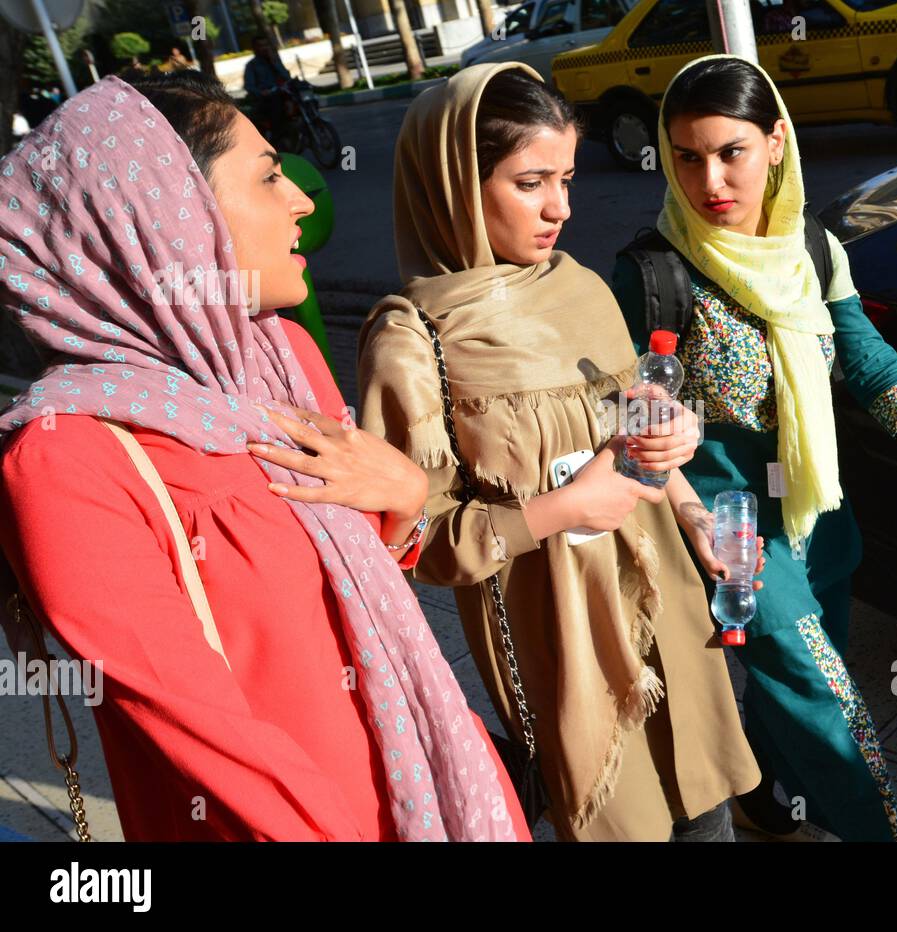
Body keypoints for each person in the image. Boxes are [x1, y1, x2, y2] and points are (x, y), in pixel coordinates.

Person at [0, 71, 527, 842]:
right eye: (269, 175)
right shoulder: (64, 458)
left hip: (426, 787)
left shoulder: (282, 358)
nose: (303, 202)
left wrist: (407, 500)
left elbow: (350, 580)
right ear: (167, 217)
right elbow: (203, 735)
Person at [612, 55, 897, 841]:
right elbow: (623, 415)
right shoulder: (653, 272)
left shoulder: (812, 247)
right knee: (825, 695)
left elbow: (866, 361)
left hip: (819, 520)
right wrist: (690, 511)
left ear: (775, 142)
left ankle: (765, 803)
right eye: (687, 157)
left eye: (731, 151)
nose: (710, 181)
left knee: (795, 681)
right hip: (731, 536)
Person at [357, 62, 765, 842]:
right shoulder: (412, 342)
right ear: (452, 183)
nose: (560, 209)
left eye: (568, 179)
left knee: (710, 818)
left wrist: (682, 488)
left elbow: (631, 433)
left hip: (669, 615)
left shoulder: (578, 287)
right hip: (565, 650)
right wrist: (558, 511)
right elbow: (407, 543)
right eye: (530, 182)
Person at [243, 35, 291, 143]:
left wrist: (274, 62)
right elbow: (248, 86)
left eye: (266, 45)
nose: (264, 48)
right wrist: (261, 92)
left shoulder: (275, 60)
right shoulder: (252, 65)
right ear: (255, 48)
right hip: (265, 99)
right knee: (275, 103)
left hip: (282, 94)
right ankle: (277, 137)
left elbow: (287, 77)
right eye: (260, 46)